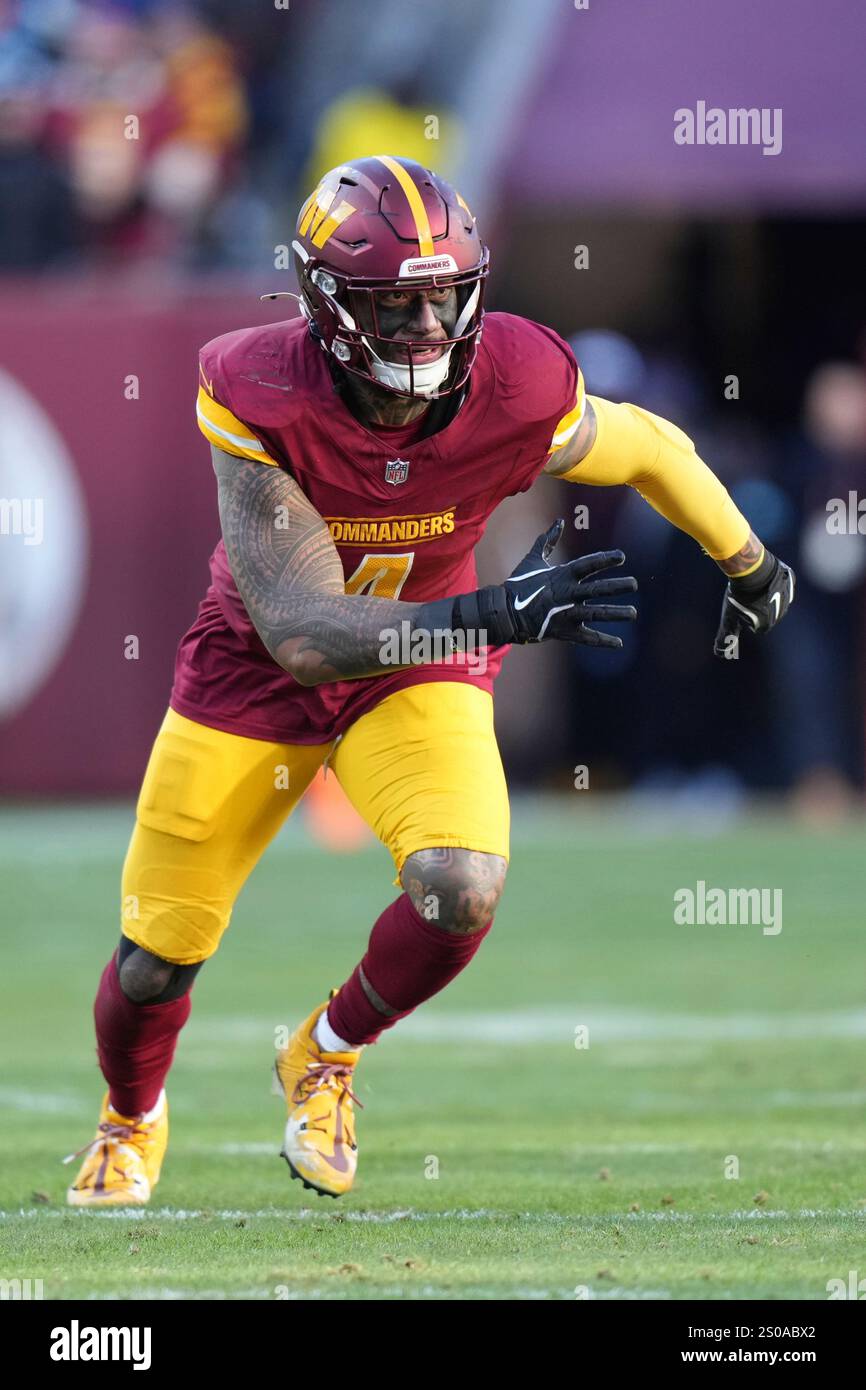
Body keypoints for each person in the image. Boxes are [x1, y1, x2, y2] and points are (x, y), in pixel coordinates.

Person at [65, 156, 794, 1203]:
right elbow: (304, 632)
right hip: (256, 673)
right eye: (390, 302)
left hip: (417, 671)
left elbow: (641, 446)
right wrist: (494, 613)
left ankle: (323, 1052)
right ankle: (128, 1120)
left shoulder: (515, 379)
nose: (421, 324)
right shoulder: (255, 387)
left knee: (460, 885)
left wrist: (747, 560)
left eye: (441, 295)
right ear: (324, 302)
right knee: (153, 964)